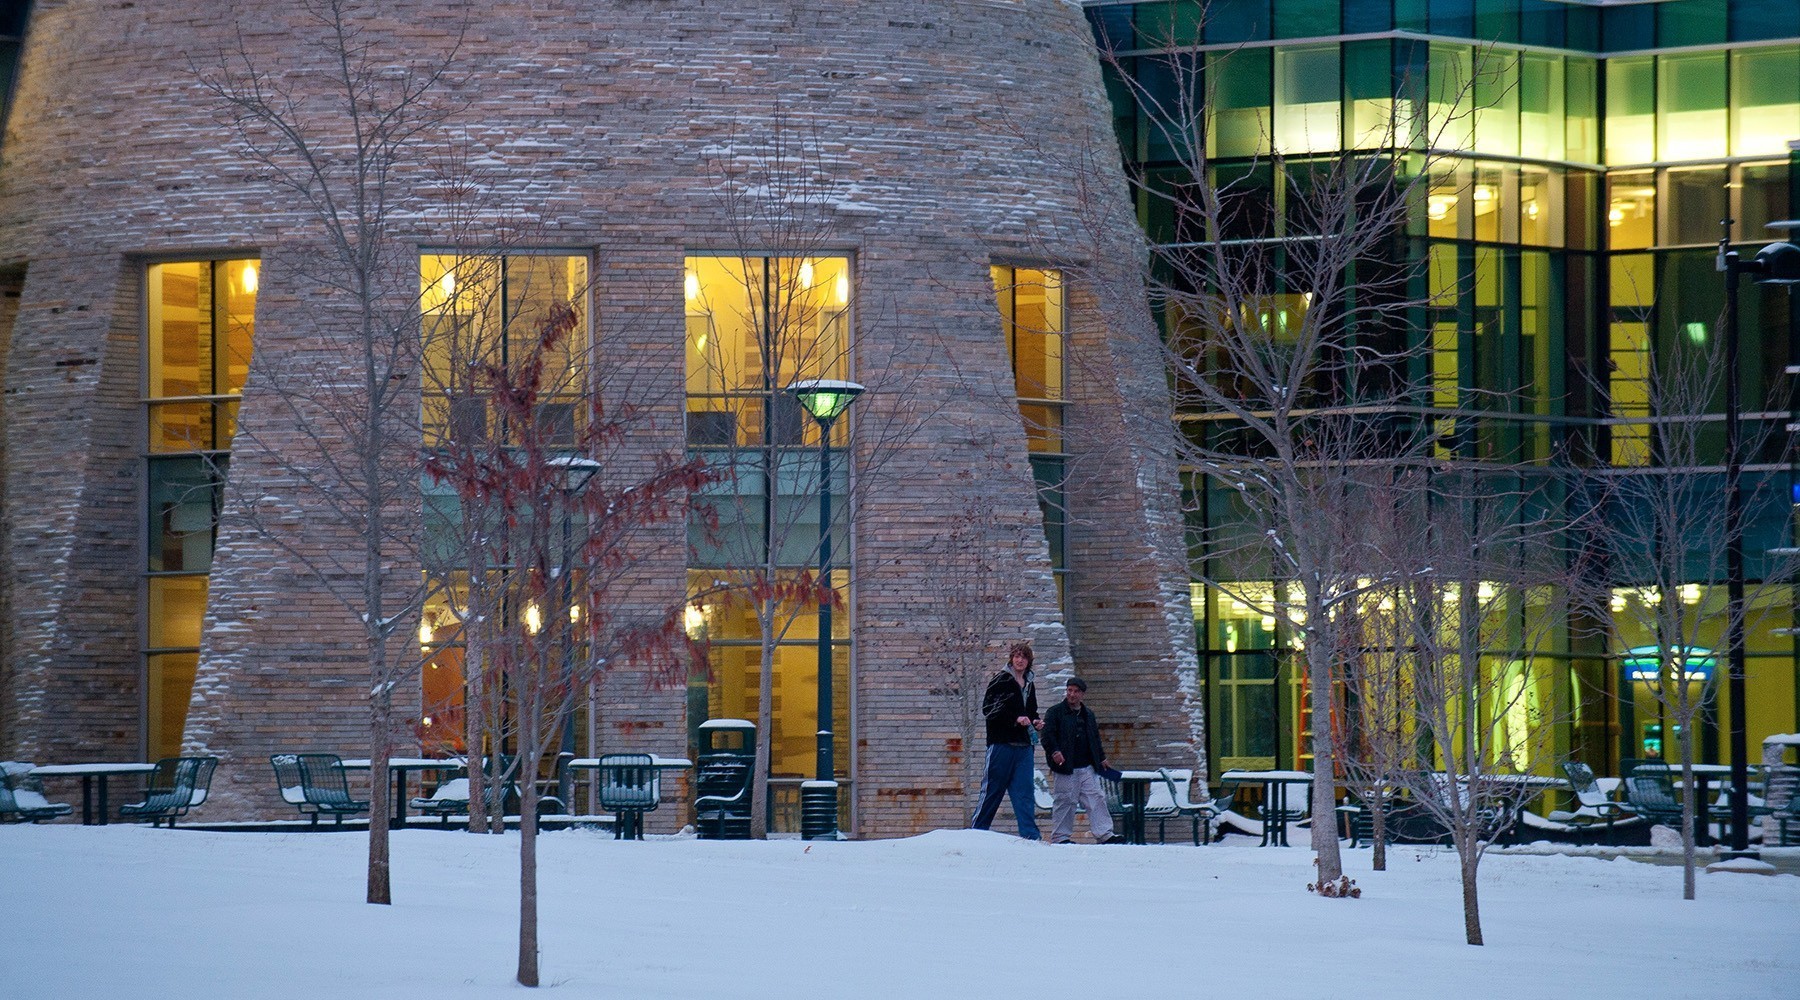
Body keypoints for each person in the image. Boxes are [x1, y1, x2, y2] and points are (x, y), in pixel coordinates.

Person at [970, 641, 1042, 840]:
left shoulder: (1029, 683)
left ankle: (1031, 837)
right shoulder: (1000, 680)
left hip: (1024, 746)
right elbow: (989, 710)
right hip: (1002, 744)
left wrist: (1035, 720)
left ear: (1029, 661)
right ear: (1011, 658)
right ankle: (976, 833)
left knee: (1025, 793)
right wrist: (1014, 719)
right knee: (993, 791)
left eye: (1024, 657)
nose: (1020, 660)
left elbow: (1031, 710)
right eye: (1016, 656)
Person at [1040, 676, 1121, 845]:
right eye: (1069, 690)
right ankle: (1061, 837)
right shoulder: (1055, 712)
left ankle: (1105, 834)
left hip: (1086, 767)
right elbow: (1047, 736)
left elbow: (1094, 738)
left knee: (1096, 798)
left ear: (1082, 694)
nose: (1072, 694)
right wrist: (1055, 752)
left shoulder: (1088, 714)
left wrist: (1101, 758)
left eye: (1076, 691)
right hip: (1065, 767)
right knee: (1065, 801)